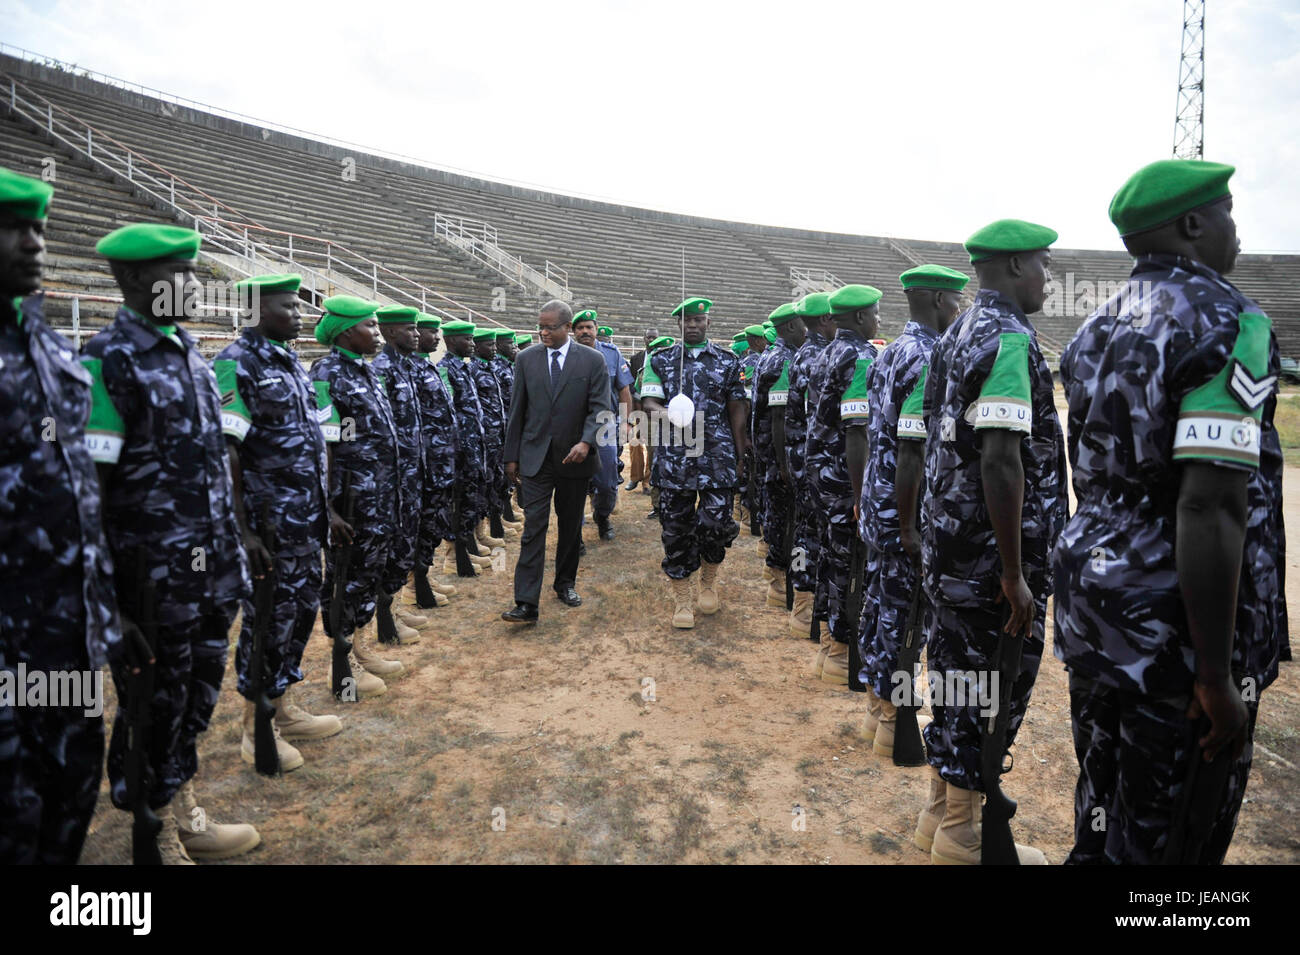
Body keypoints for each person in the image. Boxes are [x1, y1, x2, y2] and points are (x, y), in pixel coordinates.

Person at [1055, 160, 1285, 864]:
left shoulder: (1093, 327)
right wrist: (1216, 677)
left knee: (1101, 812)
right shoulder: (1232, 323)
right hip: (1180, 643)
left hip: (1099, 613)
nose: (1237, 235)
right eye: (1229, 216)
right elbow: (1212, 503)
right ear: (1193, 225)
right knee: (1174, 845)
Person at [83, 223, 257, 862]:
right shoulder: (106, 362)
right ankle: (150, 835)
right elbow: (89, 492)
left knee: (196, 691)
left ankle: (182, 802)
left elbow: (215, 465)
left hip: (207, 575)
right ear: (132, 282)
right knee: (150, 706)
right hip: (149, 582)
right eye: (172, 275)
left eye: (191, 273)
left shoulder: (189, 354)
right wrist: (113, 605)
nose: (188, 286)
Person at [917, 218, 1065, 865]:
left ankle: (940, 819)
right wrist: (1013, 572)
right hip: (991, 562)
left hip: (950, 549)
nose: (1048, 277)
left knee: (954, 679)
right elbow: (1003, 459)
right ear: (1010, 267)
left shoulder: (954, 336)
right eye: (1041, 264)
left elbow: (933, 431)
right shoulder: (1007, 337)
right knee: (991, 689)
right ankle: (965, 837)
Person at [0, 168, 120, 864]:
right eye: (16, 229)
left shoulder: (45, 342)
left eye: (41, 227)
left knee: (71, 792)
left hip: (66, 630)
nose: (36, 243)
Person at [215, 273, 341, 773]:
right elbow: (228, 450)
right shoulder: (232, 364)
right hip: (268, 526)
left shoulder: (289, 361)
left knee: (300, 610)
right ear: (255, 311)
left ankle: (282, 705)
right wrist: (243, 531)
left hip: (304, 519)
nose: (300, 315)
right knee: (266, 621)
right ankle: (254, 726)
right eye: (288, 306)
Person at [858, 265, 967, 753]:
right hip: (905, 510)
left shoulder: (893, 351)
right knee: (906, 620)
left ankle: (877, 711)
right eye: (958, 302)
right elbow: (912, 450)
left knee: (883, 606)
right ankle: (892, 718)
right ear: (942, 301)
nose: (962, 310)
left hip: (880, 501)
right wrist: (909, 527)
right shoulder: (926, 356)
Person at [310, 296, 404, 692]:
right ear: (347, 331)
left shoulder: (364, 371)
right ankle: (343, 660)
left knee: (369, 573)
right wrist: (329, 507)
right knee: (346, 577)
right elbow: (324, 444)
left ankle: (361, 647)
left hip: (378, 494)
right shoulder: (326, 373)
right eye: (370, 326)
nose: (377, 333)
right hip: (350, 499)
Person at [640, 297, 749, 629]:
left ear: (708, 324)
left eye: (698, 320)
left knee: (716, 524)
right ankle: (682, 598)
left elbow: (737, 409)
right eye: (686, 320)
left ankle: (709, 578)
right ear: (678, 325)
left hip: (718, 457)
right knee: (675, 529)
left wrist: (741, 453)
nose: (692, 325)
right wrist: (670, 415)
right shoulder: (660, 360)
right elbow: (648, 403)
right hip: (675, 458)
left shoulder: (729, 361)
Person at [501, 300, 610, 623]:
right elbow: (517, 410)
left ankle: (565, 584)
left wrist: (587, 442)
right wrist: (511, 456)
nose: (543, 332)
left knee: (569, 525)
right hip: (535, 458)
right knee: (533, 527)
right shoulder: (526, 359)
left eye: (550, 327)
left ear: (567, 328)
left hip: (575, 459)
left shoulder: (592, 361)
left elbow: (601, 408)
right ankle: (526, 602)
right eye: (540, 327)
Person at [805, 285, 881, 686]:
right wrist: (860, 493)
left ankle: (830, 651)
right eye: (874, 313)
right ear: (858, 318)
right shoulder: (861, 358)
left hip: (823, 474)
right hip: (844, 479)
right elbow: (857, 433)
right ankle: (841, 655)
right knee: (851, 568)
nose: (878, 320)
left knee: (834, 560)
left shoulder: (827, 352)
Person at [370, 304, 429, 643]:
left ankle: (395, 606)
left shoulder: (405, 367)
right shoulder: (382, 369)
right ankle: (384, 618)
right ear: (392, 333)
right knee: (392, 547)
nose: (417, 334)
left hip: (411, 472)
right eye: (410, 329)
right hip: (391, 477)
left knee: (406, 542)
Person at [785, 292, 834, 641]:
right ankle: (814, 612)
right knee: (825, 541)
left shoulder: (800, 356)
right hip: (827, 465)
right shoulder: (827, 357)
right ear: (825, 321)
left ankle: (801, 608)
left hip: (803, 462)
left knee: (803, 535)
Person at [752, 302, 805, 608]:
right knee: (785, 520)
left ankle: (777, 574)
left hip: (773, 452)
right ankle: (778, 579)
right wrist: (784, 463)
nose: (807, 330)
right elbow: (778, 416)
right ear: (790, 327)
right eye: (802, 325)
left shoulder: (776, 355)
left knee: (780, 515)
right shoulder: (783, 360)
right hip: (779, 453)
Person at [408, 313, 460, 606]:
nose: (434, 338)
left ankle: (423, 580)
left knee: (431, 522)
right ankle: (412, 588)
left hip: (438, 459)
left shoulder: (425, 367)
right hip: (419, 463)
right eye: (431, 333)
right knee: (416, 528)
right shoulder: (403, 370)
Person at [438, 320, 493, 574]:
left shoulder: (464, 368)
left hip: (474, 446)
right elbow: (448, 413)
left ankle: (466, 549)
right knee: (458, 503)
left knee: (471, 498)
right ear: (451, 341)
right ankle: (453, 559)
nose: (472, 344)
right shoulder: (445, 370)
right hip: (460, 449)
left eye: (473, 339)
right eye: (467, 339)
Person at [573, 309, 631, 542]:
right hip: (574, 427)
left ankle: (602, 515)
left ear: (596, 330)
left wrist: (626, 421)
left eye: (589, 327)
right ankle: (574, 530)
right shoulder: (565, 355)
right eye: (580, 328)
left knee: (607, 482)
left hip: (605, 426)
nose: (585, 331)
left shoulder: (611, 353)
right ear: (573, 331)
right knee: (574, 482)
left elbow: (624, 390)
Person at [468, 325, 510, 546]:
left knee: (496, 479)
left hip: (497, 434)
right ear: (477, 346)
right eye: (489, 344)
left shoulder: (490, 368)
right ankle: (476, 536)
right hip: (482, 438)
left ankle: (487, 529)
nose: (494, 348)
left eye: (495, 344)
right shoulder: (472, 369)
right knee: (483, 484)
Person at [493, 328, 523, 532]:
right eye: (511, 344)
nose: (516, 348)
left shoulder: (510, 367)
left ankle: (505, 513)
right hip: (494, 431)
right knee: (495, 478)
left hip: (505, 428)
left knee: (503, 478)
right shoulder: (495, 367)